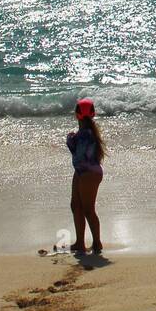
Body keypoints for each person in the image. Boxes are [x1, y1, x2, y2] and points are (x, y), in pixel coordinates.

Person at [65, 98, 107, 255]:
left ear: (77, 115)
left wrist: (70, 140)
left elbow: (79, 153)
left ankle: (97, 243)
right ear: (93, 114)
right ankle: (79, 242)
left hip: (88, 173)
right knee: (75, 205)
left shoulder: (86, 134)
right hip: (81, 171)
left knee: (88, 209)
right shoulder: (88, 132)